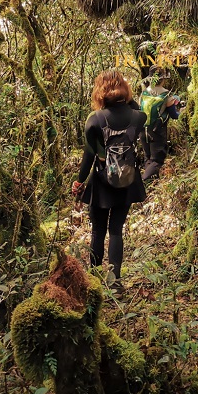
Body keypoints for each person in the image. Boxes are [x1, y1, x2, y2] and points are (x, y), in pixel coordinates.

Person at [71, 69, 147, 286]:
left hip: (101, 181)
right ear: (124, 88)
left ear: (99, 91)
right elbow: (137, 109)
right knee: (116, 231)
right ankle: (115, 282)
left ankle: (94, 280)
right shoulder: (138, 117)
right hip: (127, 179)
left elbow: (89, 156)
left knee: (98, 230)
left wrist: (79, 182)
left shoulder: (95, 120)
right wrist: (127, 99)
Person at [139, 67, 182, 181]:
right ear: (163, 79)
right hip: (157, 131)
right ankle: (142, 181)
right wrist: (182, 112)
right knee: (157, 160)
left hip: (143, 130)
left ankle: (151, 183)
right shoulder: (166, 95)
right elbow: (174, 115)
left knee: (148, 158)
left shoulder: (143, 93)